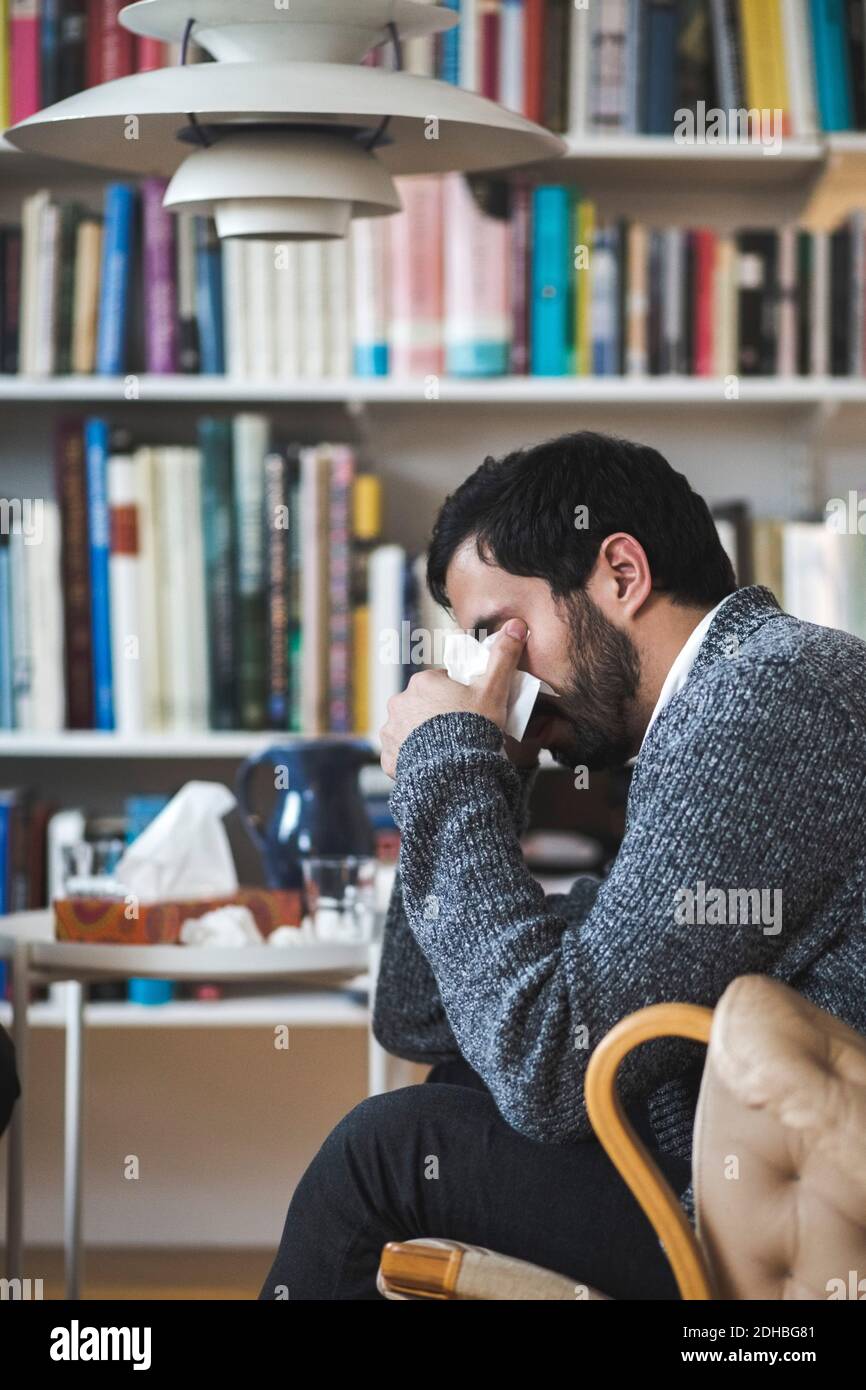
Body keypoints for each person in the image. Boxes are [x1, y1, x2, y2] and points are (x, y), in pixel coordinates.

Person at [259, 431, 866, 1301]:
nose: (501, 677)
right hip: (702, 1145)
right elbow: (421, 1016)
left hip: (772, 1221)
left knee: (385, 1150)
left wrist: (445, 763)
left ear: (621, 573)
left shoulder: (763, 699)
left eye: (503, 635)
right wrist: (485, 773)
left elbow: (549, 1073)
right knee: (453, 1081)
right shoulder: (722, 698)